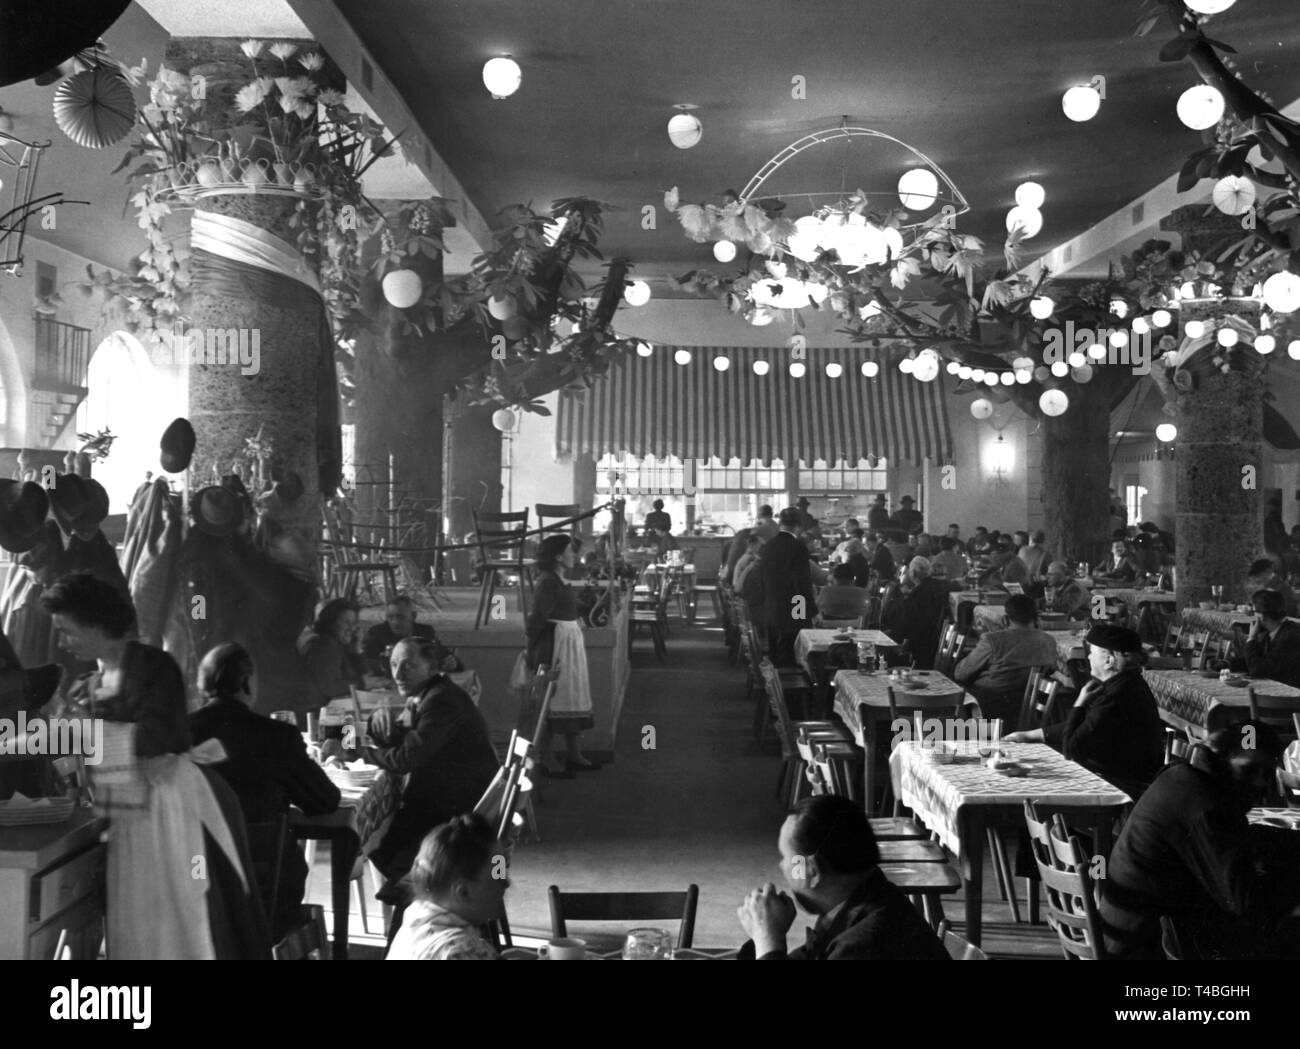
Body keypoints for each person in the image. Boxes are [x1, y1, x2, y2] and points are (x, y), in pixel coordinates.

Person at [44, 572, 270, 958]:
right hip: (131, 815)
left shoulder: (154, 667)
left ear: (94, 623)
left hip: (172, 805)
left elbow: (158, 738)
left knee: (182, 912)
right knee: (140, 921)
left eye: (67, 631)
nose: (62, 642)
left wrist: (83, 731)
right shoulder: (88, 684)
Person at [1099, 721, 1300, 959]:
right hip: (1145, 947)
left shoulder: (1183, 777)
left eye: (1266, 773)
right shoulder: (1206, 805)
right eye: (1249, 769)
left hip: (1125, 929)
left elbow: (1234, 837)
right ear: (1223, 756)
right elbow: (1243, 901)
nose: (1259, 781)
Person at [188, 643, 341, 940]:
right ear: (246, 682)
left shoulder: (180, 734)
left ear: (202, 685)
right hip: (267, 891)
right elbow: (325, 801)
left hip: (196, 883)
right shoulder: (276, 736)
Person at [737, 795, 949, 960]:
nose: (782, 866)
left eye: (787, 858)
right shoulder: (866, 897)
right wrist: (764, 933)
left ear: (812, 872)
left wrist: (768, 938)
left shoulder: (862, 944)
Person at [364, 637, 499, 897]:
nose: (398, 674)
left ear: (432, 667)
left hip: (459, 816)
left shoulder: (441, 700)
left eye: (408, 666)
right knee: (386, 827)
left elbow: (406, 760)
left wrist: (360, 753)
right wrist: (378, 723)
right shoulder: (427, 694)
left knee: (379, 833)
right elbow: (411, 743)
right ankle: (404, 886)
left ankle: (412, 890)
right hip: (454, 801)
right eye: (394, 664)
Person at [1003, 623, 1164, 798]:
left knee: (1026, 782)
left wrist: (1079, 703)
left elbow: (1071, 749)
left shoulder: (1116, 696)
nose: (1088, 657)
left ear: (1109, 661)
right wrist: (1031, 735)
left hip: (1121, 786)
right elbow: (1086, 725)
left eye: (1092, 653)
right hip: (1118, 775)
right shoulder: (1125, 683)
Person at [386, 813, 509, 960]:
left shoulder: (417, 915)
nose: (506, 884)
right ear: (463, 892)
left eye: (503, 869)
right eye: (498, 876)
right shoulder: (461, 951)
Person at [525, 534, 598, 773]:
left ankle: (574, 753)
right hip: (556, 645)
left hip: (568, 643)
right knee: (553, 700)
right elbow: (538, 617)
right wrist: (533, 648)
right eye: (569, 551)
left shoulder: (558, 579)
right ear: (558, 556)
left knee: (572, 694)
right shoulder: (548, 582)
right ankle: (546, 757)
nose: (573, 555)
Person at [953, 595, 1058, 724]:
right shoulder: (1049, 641)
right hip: (1028, 710)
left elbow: (960, 674)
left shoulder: (993, 640)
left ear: (1005, 619)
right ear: (1036, 618)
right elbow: (1050, 669)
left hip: (989, 710)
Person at [759, 507, 817, 666]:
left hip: (771, 607)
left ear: (780, 524)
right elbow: (801, 583)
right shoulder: (798, 547)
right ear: (798, 526)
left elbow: (762, 579)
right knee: (794, 656)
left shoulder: (768, 546)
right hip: (794, 609)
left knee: (775, 655)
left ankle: (774, 681)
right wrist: (808, 613)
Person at [879, 556, 950, 669]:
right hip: (936, 640)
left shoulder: (918, 594)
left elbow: (907, 623)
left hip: (919, 644)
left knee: (881, 643)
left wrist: (890, 635)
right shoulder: (939, 586)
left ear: (913, 573)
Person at [298, 598, 366, 714]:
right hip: (320, 715)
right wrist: (362, 684)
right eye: (346, 622)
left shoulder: (338, 644)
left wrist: (357, 648)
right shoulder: (325, 646)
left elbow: (363, 674)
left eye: (354, 623)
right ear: (330, 623)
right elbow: (330, 687)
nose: (352, 628)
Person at [1244, 588, 1300, 687]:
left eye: (1254, 612)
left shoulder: (1290, 636)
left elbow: (1257, 669)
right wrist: (1226, 663)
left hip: (1290, 693)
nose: (1253, 616)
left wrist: (1251, 638)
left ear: (1262, 616)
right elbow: (1257, 659)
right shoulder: (1274, 630)